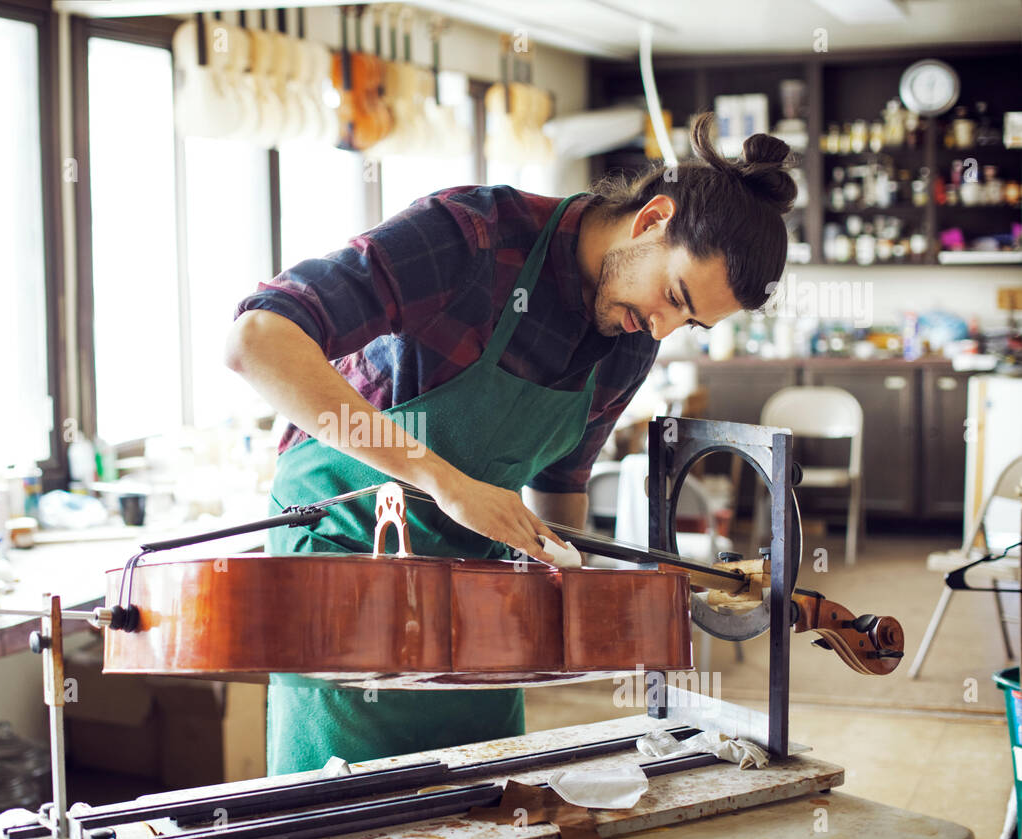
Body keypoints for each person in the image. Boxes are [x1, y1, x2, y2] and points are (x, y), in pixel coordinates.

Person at [225, 113, 797, 775]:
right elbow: (257, 340)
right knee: (345, 816)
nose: (660, 326)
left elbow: (562, 482)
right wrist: (446, 482)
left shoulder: (633, 335)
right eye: (672, 295)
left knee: (489, 797)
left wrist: (568, 594)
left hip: (480, 598)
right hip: (344, 566)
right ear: (651, 220)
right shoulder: (469, 236)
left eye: (686, 321)